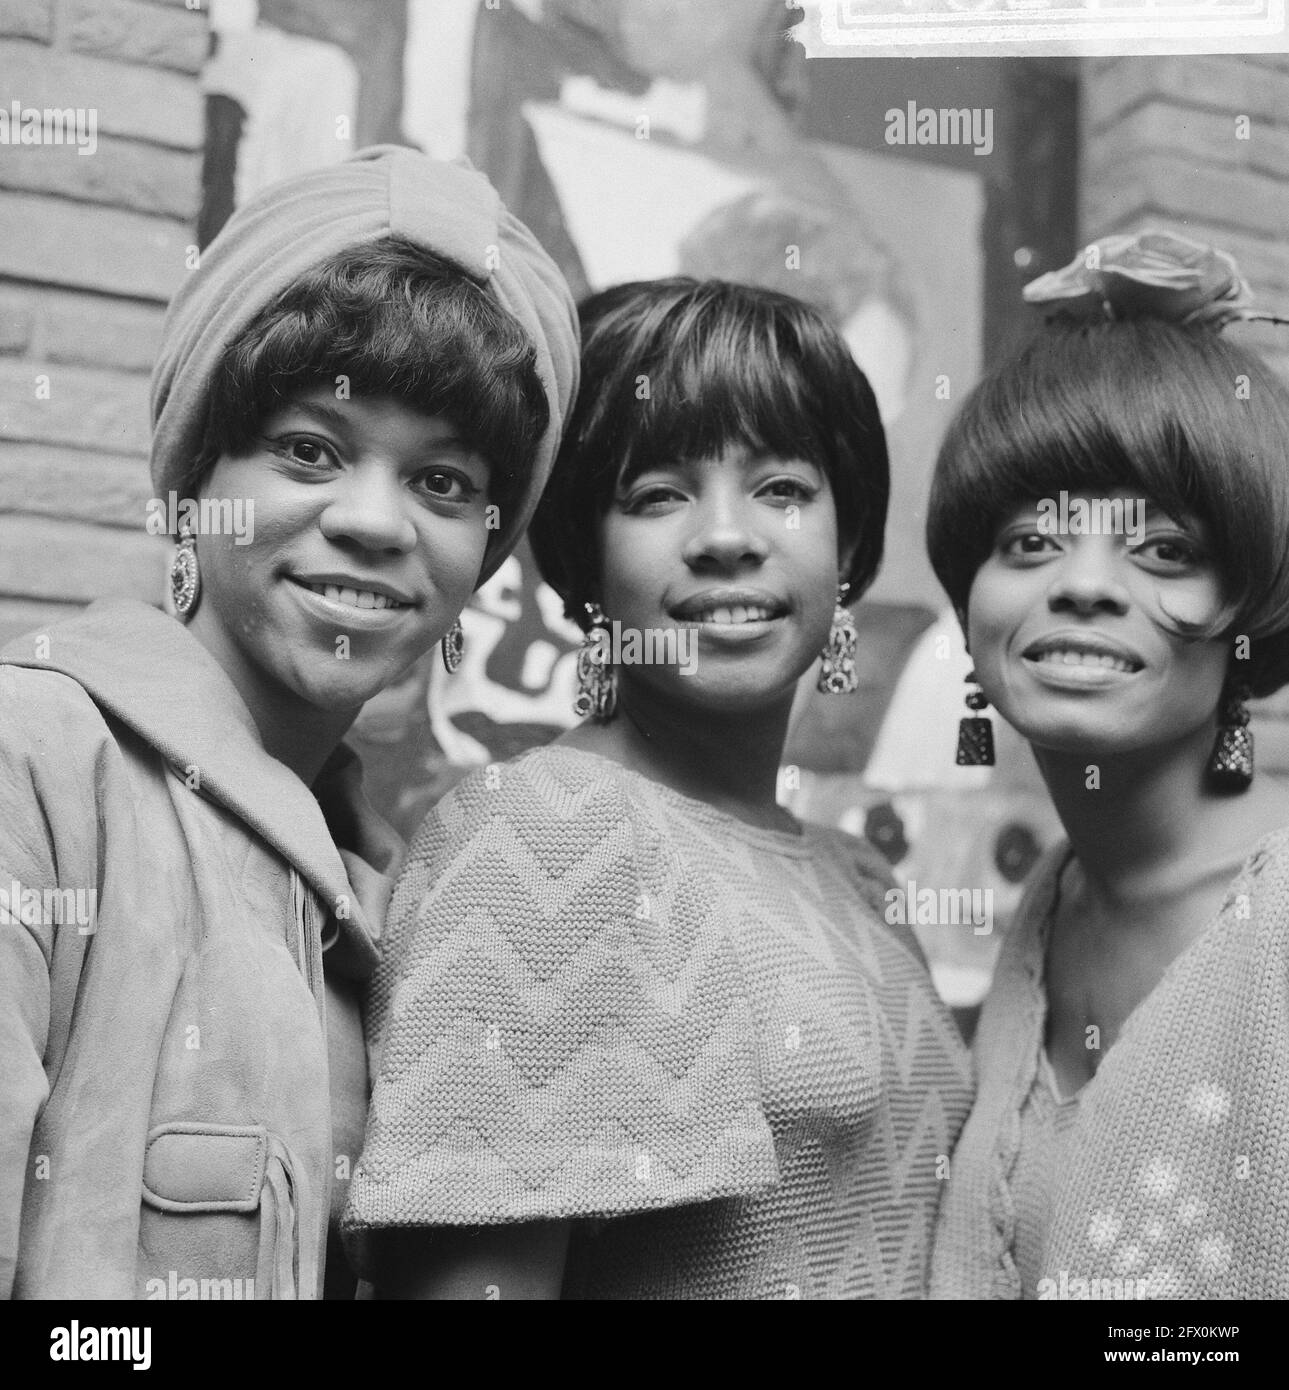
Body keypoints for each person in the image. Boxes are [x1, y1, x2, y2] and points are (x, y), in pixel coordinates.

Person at [0, 146, 578, 1300]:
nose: (374, 521)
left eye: (444, 482)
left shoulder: (401, 895)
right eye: (309, 450)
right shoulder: (37, 758)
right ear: (192, 476)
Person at [343, 277, 973, 1299]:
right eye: (657, 493)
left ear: (848, 545)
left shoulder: (855, 878)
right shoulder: (547, 828)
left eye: (781, 488)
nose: (726, 536)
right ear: (582, 564)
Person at [927, 232, 1289, 1300]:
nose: (1080, 584)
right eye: (1027, 542)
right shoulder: (1050, 902)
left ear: (1250, 617)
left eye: (1162, 547)